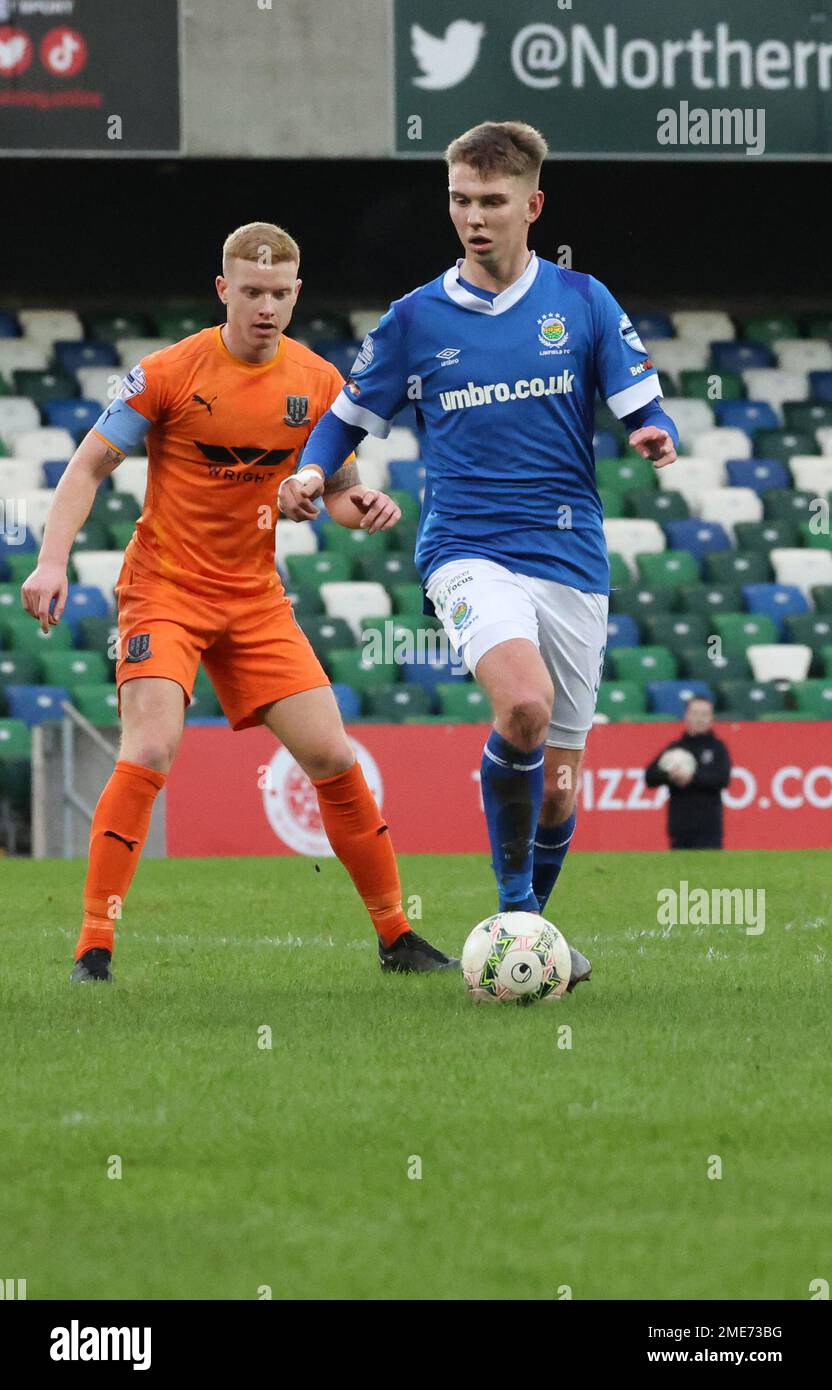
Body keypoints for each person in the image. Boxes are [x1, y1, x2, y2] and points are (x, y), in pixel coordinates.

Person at [279, 121, 680, 989]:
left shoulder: (581, 301)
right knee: (523, 709)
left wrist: (652, 431)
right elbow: (348, 417)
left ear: (532, 206)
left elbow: (642, 397)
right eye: (461, 200)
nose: (474, 216)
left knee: (563, 785)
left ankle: (528, 927)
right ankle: (519, 919)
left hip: (571, 560)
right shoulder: (416, 319)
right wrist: (313, 471)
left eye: (492, 201)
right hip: (466, 550)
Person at [21, 221, 456, 981]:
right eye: (251, 292)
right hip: (165, 590)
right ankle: (94, 946)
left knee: (330, 755)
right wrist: (52, 562)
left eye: (279, 293)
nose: (265, 307)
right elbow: (88, 468)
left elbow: (339, 491)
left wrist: (365, 507)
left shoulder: (319, 382)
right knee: (150, 748)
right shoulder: (166, 372)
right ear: (224, 290)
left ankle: (396, 936)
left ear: (296, 294)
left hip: (254, 599)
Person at [645, 696, 732, 850]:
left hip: (709, 828)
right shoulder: (676, 749)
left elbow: (722, 778)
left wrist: (692, 778)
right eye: (695, 713)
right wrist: (671, 776)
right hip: (680, 827)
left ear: (712, 718)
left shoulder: (718, 748)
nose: (700, 719)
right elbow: (650, 777)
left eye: (705, 714)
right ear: (686, 716)